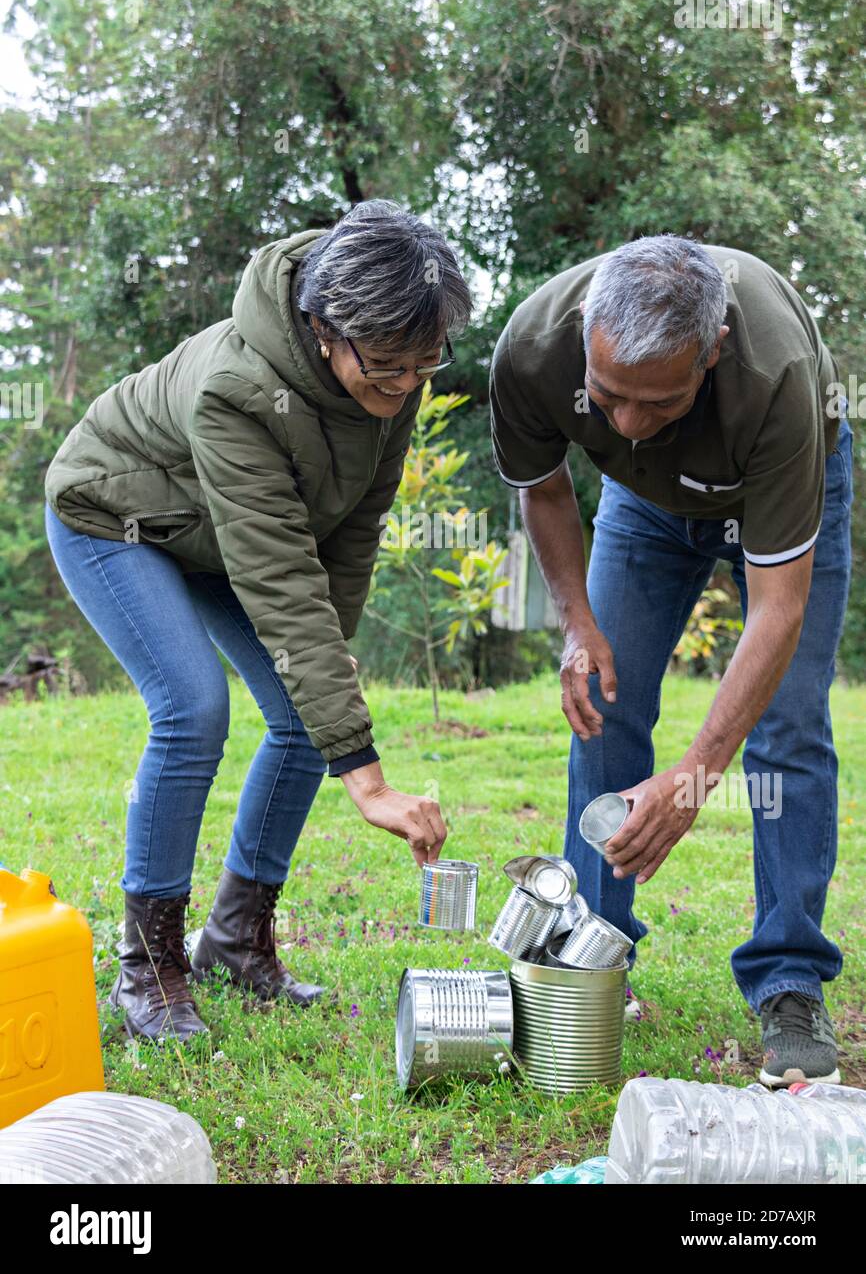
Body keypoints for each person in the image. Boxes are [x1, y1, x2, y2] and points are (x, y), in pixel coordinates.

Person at [45, 199, 471, 1043]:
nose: (404, 386)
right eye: (386, 366)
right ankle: (149, 967)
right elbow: (278, 574)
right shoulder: (236, 390)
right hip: (115, 518)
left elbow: (353, 530)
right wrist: (368, 780)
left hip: (215, 533)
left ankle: (236, 943)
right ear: (323, 329)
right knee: (193, 707)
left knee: (306, 712)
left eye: (423, 365)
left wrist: (329, 673)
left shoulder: (395, 372)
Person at [489, 234, 852, 1087]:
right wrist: (576, 623)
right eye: (609, 395)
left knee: (790, 725)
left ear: (713, 350)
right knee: (603, 700)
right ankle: (593, 951)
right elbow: (543, 486)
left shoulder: (777, 376)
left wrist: (694, 777)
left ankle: (790, 982)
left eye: (660, 401)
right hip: (643, 502)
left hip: (781, 481)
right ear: (586, 330)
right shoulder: (534, 347)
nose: (626, 423)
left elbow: (778, 609)